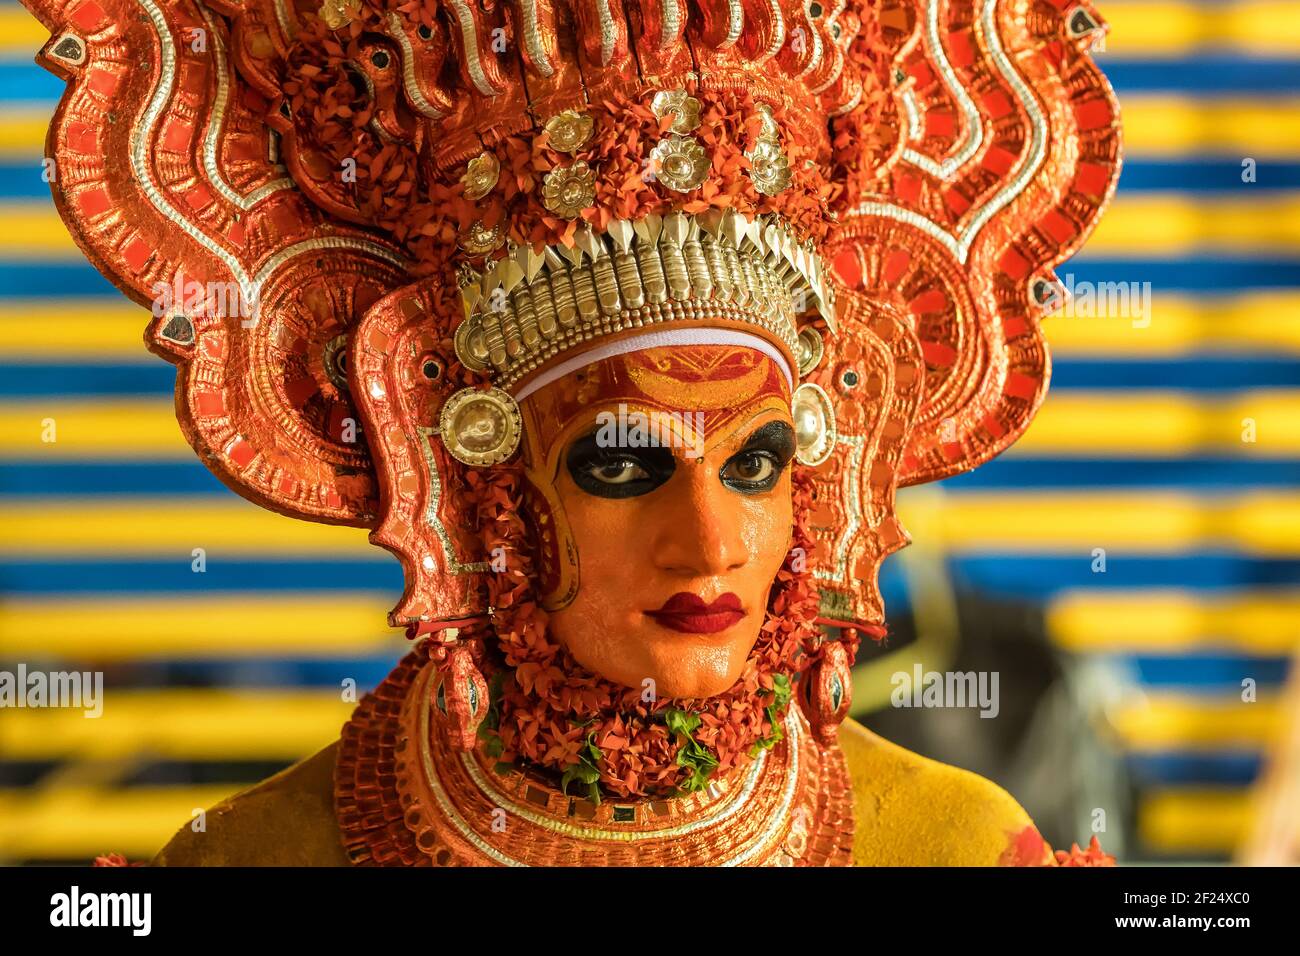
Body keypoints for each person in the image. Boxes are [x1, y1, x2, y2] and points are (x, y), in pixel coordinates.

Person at [26, 0, 1120, 865]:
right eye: (622, 462)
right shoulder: (262, 856)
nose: (709, 543)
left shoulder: (956, 847)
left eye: (755, 461)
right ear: (472, 474)